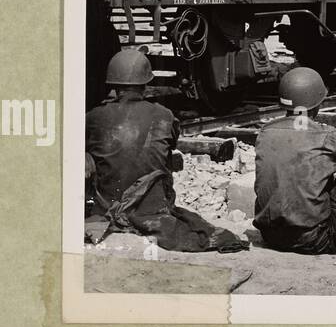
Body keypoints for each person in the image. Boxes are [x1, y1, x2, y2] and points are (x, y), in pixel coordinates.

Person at [85, 49, 248, 252]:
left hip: (106, 207)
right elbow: (166, 150)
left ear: (112, 84)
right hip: (152, 210)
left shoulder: (93, 117)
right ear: (146, 83)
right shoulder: (165, 115)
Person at [253, 67, 336, 255]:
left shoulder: (265, 132)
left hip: (270, 236)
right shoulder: (326, 136)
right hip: (314, 241)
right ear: (317, 103)